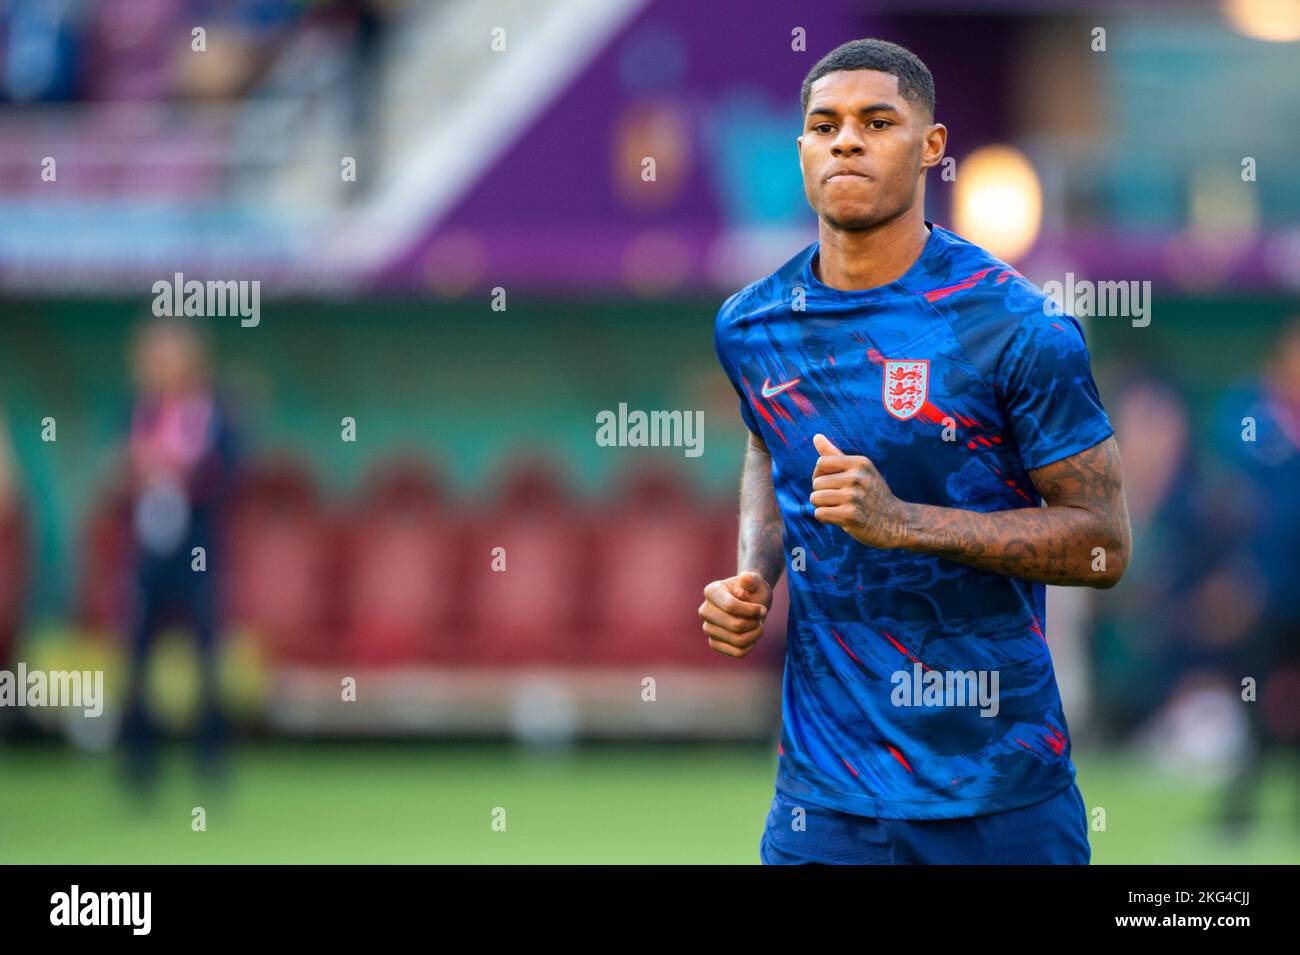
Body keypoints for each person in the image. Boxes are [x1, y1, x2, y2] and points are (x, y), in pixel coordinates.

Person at [700, 39, 1131, 864]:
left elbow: (1105, 543)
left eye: (876, 121)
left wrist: (904, 523)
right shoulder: (752, 325)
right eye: (823, 125)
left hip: (998, 792)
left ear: (931, 146)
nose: (846, 141)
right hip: (822, 803)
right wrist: (754, 570)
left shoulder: (1015, 325)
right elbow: (767, 439)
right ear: (801, 149)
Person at [119, 318, 239, 794]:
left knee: (207, 656)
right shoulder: (137, 414)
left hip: (198, 551)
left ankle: (211, 761)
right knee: (138, 654)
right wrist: (138, 471)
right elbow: (118, 478)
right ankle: (139, 764)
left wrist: (183, 471)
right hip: (149, 551)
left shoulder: (213, 415)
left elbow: (231, 474)